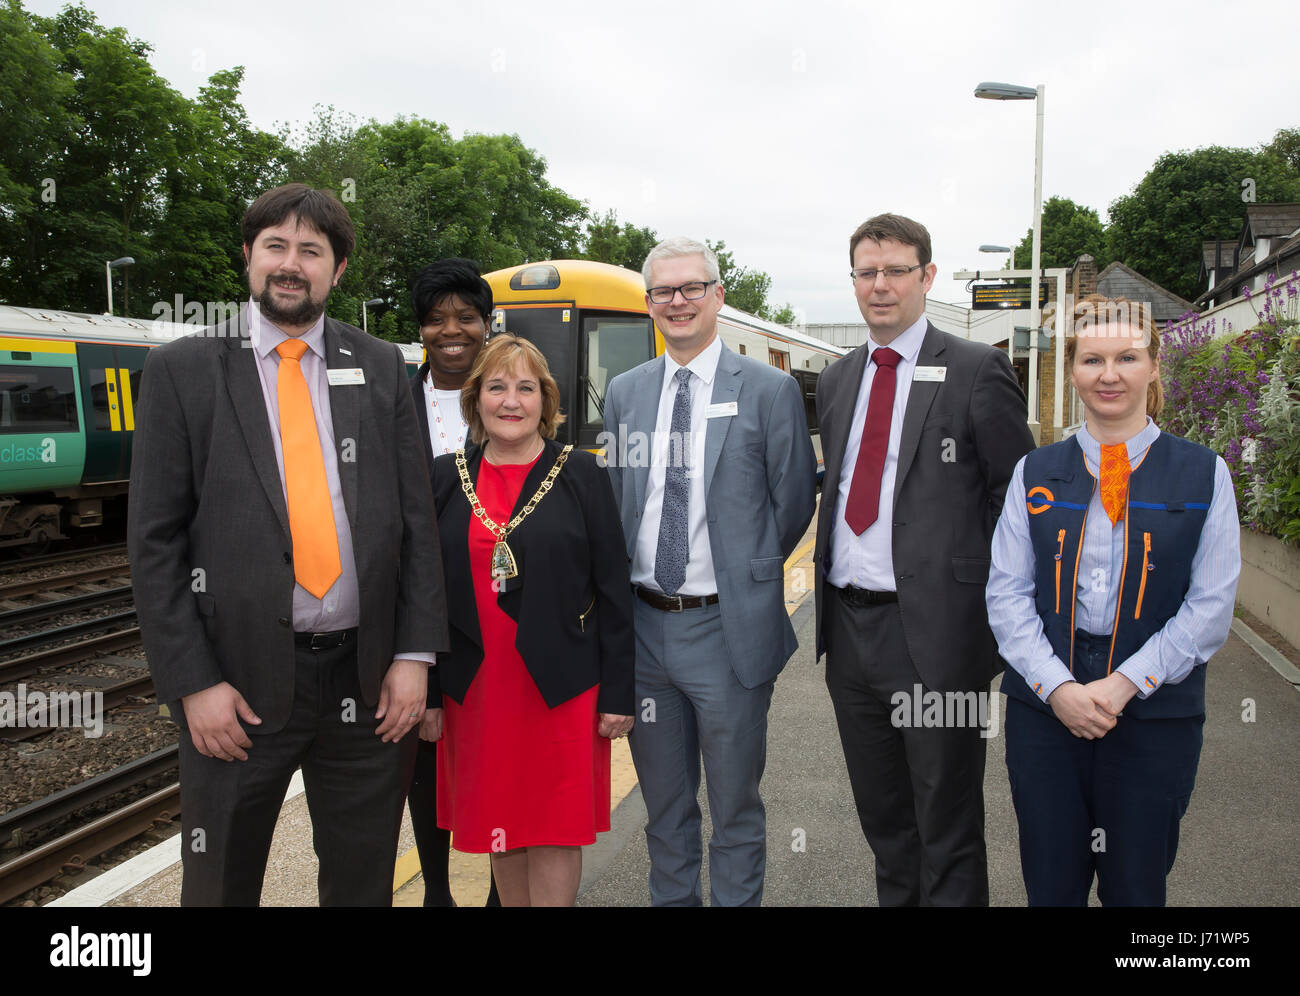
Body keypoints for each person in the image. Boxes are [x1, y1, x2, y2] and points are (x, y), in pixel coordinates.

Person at [128, 183, 447, 906]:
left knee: (362, 884)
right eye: (276, 245)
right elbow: (153, 542)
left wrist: (414, 655)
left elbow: (415, 523)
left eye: (312, 250)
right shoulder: (184, 371)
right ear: (248, 256)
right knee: (219, 885)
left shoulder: (380, 366)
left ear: (338, 270)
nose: (291, 263)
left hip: (367, 688)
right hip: (235, 692)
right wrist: (192, 684)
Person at [987, 294, 1239, 906]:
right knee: (1051, 887)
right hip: (1046, 714)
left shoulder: (1205, 473)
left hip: (1155, 713)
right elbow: (1007, 594)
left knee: (1136, 888)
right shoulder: (1035, 471)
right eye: (1092, 359)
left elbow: (1209, 608)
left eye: (1127, 357)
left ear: (1154, 366)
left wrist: (1123, 684)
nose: (1108, 375)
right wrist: (1058, 689)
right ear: (1071, 370)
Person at [814, 213, 1034, 906]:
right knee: (885, 825)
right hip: (851, 637)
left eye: (896, 271)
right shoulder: (840, 377)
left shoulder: (975, 370)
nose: (880, 286)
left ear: (927, 276)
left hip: (938, 640)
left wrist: (990, 620)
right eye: (866, 273)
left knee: (948, 825)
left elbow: (1015, 503)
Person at [603, 237, 816, 906]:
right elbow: (616, 501)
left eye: (692, 287)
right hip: (642, 634)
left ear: (719, 295)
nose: (679, 301)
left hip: (726, 632)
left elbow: (791, 507)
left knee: (735, 809)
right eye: (664, 291)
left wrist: (743, 577)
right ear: (648, 306)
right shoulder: (625, 393)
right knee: (664, 813)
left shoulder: (769, 390)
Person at [431, 334, 634, 907]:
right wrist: (425, 693)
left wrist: (619, 692)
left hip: (560, 685)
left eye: (526, 388)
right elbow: (421, 593)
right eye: (497, 387)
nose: (511, 400)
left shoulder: (582, 476)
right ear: (476, 400)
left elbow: (614, 591)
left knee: (552, 827)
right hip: (475, 686)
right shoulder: (446, 477)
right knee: (502, 825)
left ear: (546, 401)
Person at [404, 257, 500, 907]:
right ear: (421, 332)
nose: (452, 330)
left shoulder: (510, 397)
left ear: (487, 326)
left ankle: (500, 889)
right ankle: (437, 890)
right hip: (409, 612)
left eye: (466, 316)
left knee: (494, 754)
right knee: (422, 755)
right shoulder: (390, 404)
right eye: (437, 319)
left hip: (492, 612)